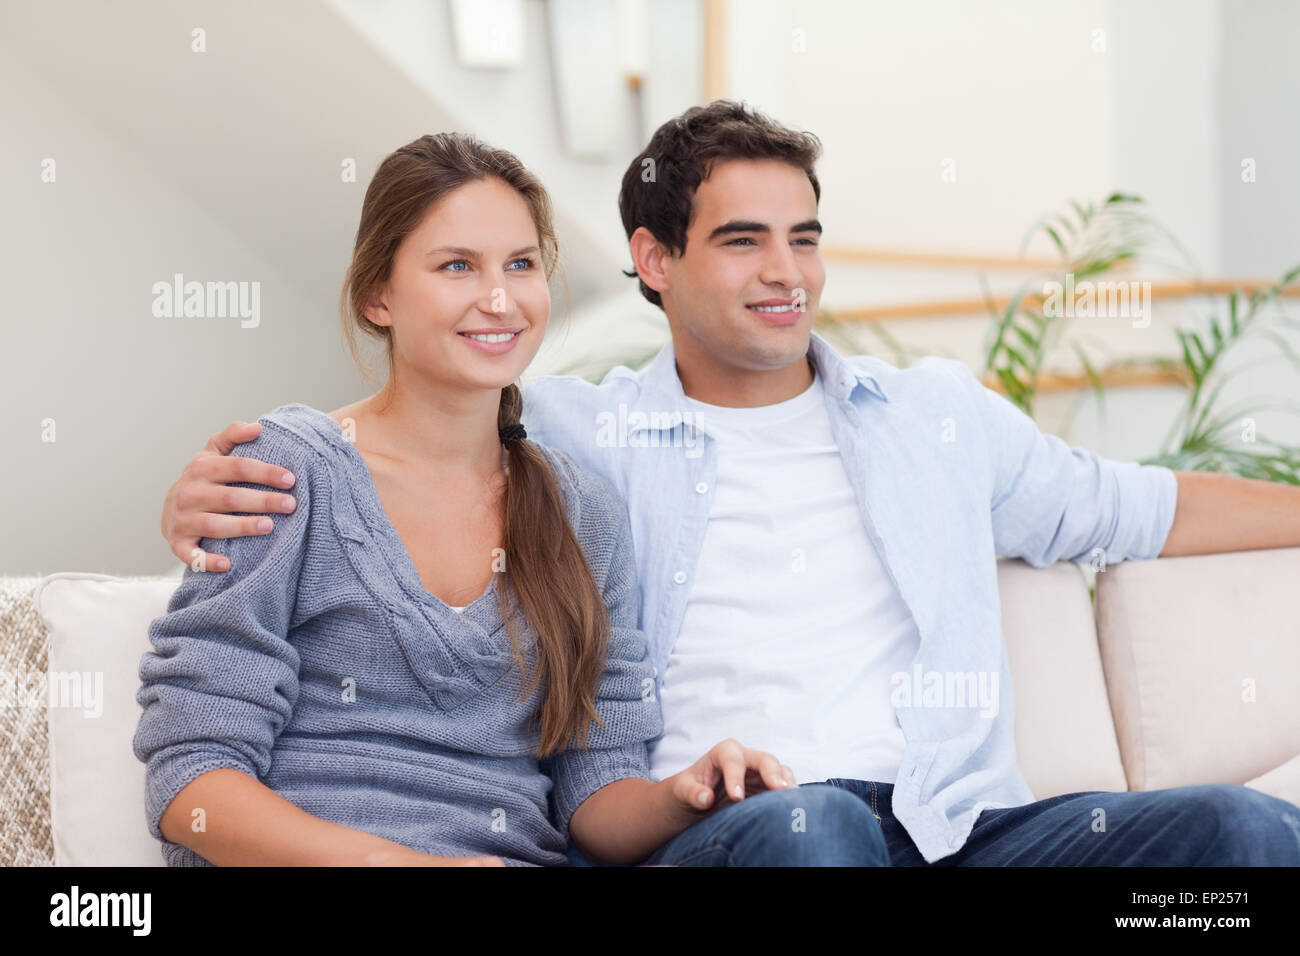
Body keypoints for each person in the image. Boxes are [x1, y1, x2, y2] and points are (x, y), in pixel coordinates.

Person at [157, 101, 1300, 866]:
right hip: (745, 829)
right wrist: (200, 494)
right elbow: (413, 421)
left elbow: (1144, 506)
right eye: (744, 240)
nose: (786, 273)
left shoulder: (937, 417)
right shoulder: (576, 438)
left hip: (960, 827)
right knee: (810, 831)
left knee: (1243, 832)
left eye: (803, 238)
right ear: (654, 262)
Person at [133, 130, 796, 868]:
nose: (498, 298)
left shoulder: (582, 513)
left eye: (520, 264)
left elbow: (595, 795)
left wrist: (684, 794)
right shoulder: (288, 471)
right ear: (378, 296)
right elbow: (189, 785)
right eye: (457, 266)